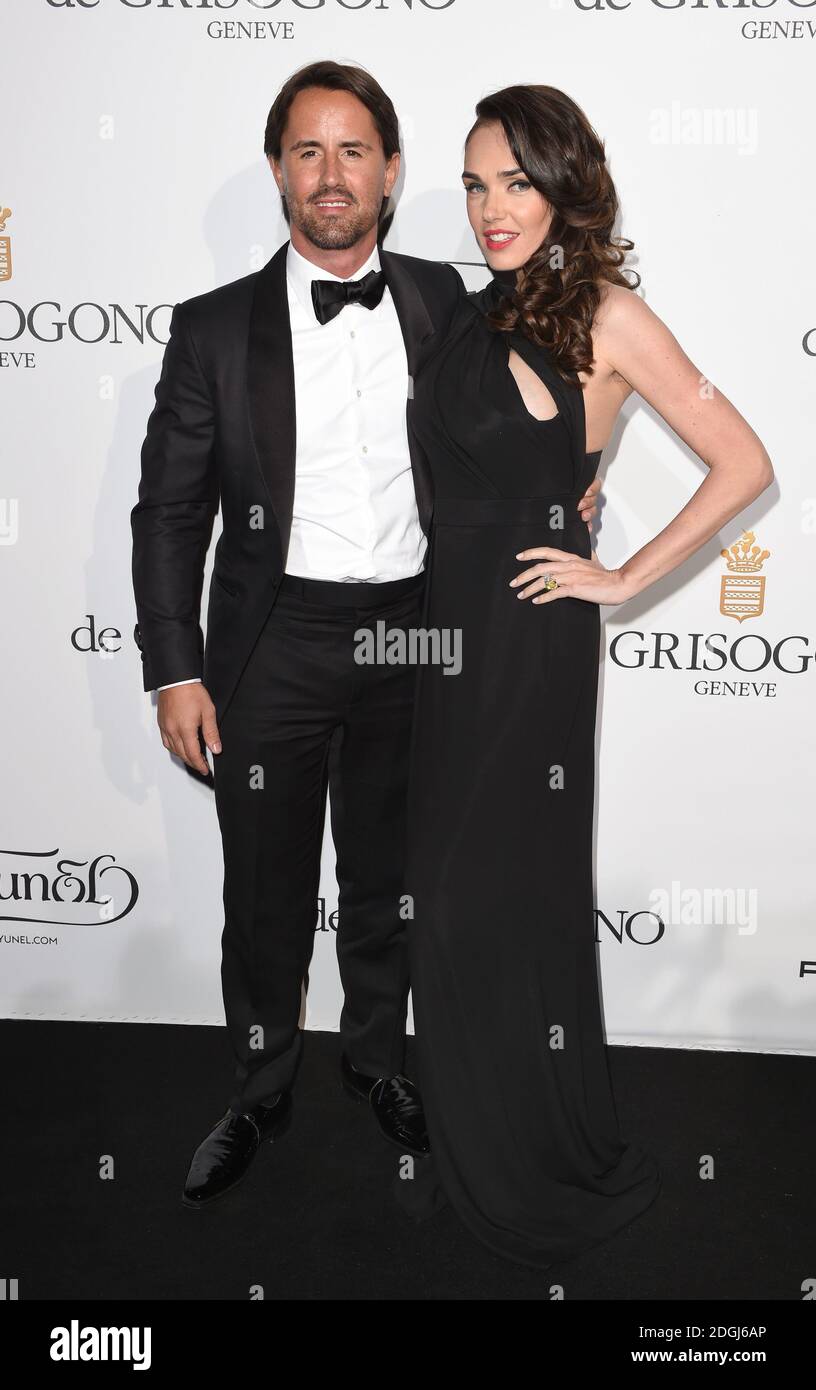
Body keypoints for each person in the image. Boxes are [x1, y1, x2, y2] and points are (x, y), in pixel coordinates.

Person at [130, 58, 606, 1209]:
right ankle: (257, 1091)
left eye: (355, 151)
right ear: (278, 171)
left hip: (417, 633)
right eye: (308, 150)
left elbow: (560, 380)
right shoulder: (212, 330)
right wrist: (174, 669)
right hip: (275, 642)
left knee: (393, 878)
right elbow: (170, 512)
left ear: (392, 172)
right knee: (266, 890)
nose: (331, 174)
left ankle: (380, 1061)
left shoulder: (455, 297)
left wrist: (573, 488)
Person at [400, 85, 774, 1270]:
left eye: (515, 181)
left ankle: (532, 1158)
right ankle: (480, 1143)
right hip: (441, 633)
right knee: (447, 904)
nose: (491, 207)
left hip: (529, 641)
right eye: (475, 183)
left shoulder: (610, 314)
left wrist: (620, 577)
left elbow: (744, 461)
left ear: (565, 186)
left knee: (501, 895)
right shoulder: (468, 309)